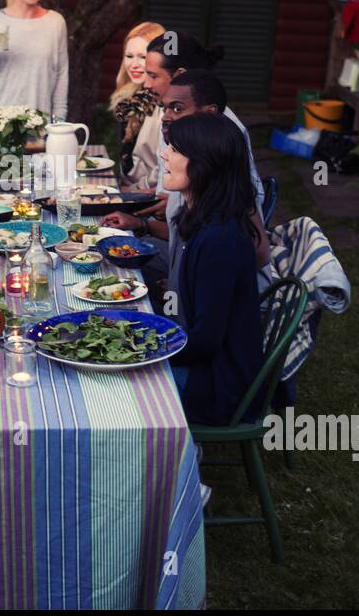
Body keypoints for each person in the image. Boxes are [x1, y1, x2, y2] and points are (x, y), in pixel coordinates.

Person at [108, 69, 269, 301]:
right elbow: (184, 235)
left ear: (209, 114)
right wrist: (140, 224)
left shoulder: (223, 178)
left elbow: (255, 253)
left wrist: (187, 288)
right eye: (164, 108)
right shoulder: (186, 172)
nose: (165, 116)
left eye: (177, 108)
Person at [161, 113, 266, 427]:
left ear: (204, 164)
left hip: (217, 386)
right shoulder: (198, 219)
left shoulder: (220, 240)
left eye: (175, 150)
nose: (165, 154)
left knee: (115, 386)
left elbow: (206, 340)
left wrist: (146, 356)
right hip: (203, 364)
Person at [110, 21, 165, 189]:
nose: (134, 64)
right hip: (127, 185)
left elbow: (163, 169)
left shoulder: (164, 105)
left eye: (142, 57)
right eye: (129, 56)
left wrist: (132, 191)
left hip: (148, 196)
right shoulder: (129, 98)